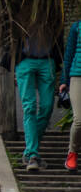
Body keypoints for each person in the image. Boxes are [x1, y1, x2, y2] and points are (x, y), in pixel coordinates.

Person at [13, 18, 62, 171]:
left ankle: (29, 151)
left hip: (47, 60)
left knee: (47, 107)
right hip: (25, 60)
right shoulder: (20, 8)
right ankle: (33, 155)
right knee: (29, 107)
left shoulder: (53, 10)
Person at [58, 14, 81, 171]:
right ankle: (72, 153)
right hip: (77, 76)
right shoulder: (77, 26)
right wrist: (63, 81)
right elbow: (69, 54)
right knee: (79, 120)